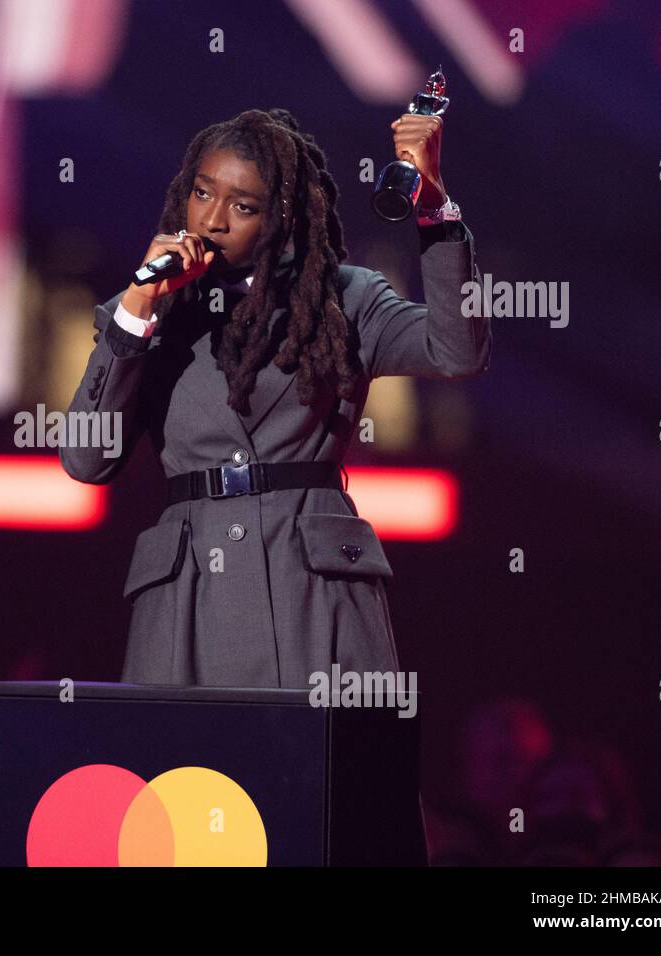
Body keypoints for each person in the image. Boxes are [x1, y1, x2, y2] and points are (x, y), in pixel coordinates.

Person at [61, 107, 489, 690]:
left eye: (243, 206)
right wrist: (137, 315)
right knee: (188, 777)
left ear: (283, 216)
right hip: (188, 598)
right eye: (201, 193)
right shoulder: (142, 311)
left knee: (327, 774)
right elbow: (86, 461)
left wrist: (433, 208)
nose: (212, 220)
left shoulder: (344, 299)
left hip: (313, 593)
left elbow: (456, 352)